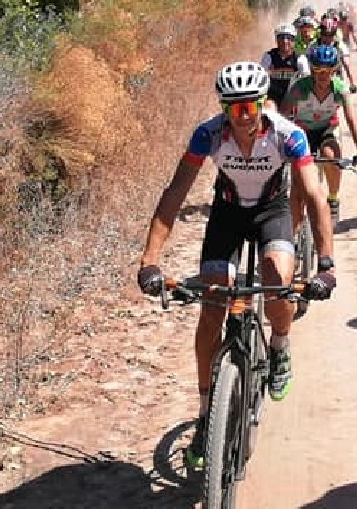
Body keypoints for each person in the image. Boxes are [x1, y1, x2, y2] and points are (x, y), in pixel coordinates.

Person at [135, 61, 337, 469]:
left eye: (250, 108)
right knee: (212, 306)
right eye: (234, 109)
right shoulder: (208, 134)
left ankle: (279, 343)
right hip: (226, 214)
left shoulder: (288, 134)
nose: (243, 118)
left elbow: (314, 196)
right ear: (224, 109)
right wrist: (150, 260)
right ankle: (207, 413)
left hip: (271, 211)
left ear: (264, 104)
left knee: (277, 279)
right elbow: (176, 191)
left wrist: (326, 264)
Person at [281, 44, 357, 227]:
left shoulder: (340, 89)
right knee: (297, 188)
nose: (323, 75)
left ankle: (333, 198)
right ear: (312, 70)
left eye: (328, 71)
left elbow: (352, 119)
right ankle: (294, 233)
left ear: (334, 71)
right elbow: (281, 117)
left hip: (326, 129)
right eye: (318, 70)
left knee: (331, 156)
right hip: (302, 131)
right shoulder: (300, 88)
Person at [260, 24, 311, 105]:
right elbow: (261, 77)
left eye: (289, 38)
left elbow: (307, 81)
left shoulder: (300, 58)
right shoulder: (268, 56)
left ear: (294, 41)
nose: (285, 41)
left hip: (292, 100)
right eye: (281, 37)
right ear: (276, 40)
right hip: (272, 99)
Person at [316, 16, 357, 93]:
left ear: (334, 34)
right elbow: (307, 63)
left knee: (343, 94)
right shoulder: (314, 45)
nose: (327, 38)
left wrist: (352, 83)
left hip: (335, 73)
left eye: (330, 35)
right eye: (324, 34)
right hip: (317, 75)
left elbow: (346, 65)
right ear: (320, 33)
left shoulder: (339, 45)